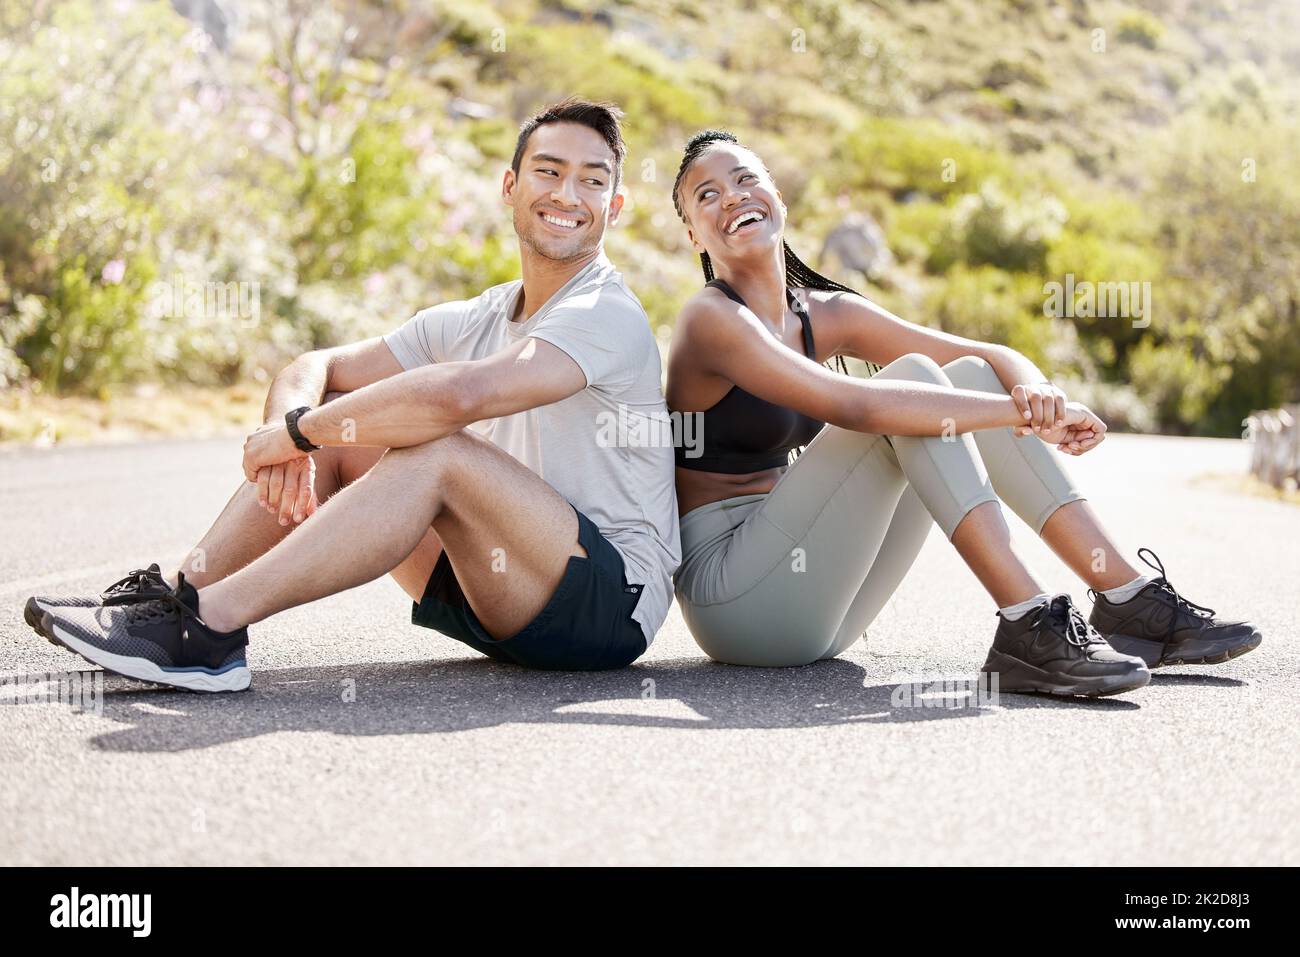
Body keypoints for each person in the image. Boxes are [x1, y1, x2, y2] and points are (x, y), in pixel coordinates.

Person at [25, 99, 680, 692]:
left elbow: (465, 394)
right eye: (548, 170)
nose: (569, 193)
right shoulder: (481, 314)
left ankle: (211, 630)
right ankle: (174, 602)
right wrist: (293, 435)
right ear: (510, 187)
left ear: (614, 208)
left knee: (435, 450)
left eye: (594, 179)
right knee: (346, 431)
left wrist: (302, 432)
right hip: (498, 585)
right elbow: (321, 365)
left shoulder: (605, 311)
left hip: (605, 602)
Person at [665, 129, 1261, 697]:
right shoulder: (710, 320)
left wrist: (1040, 395)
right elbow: (857, 403)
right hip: (738, 603)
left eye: (745, 179)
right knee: (914, 388)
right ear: (693, 234)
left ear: (778, 198)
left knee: (964, 378)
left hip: (822, 612)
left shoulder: (822, 312)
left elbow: (989, 356)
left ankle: (1130, 598)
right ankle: (1029, 622)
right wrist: (1014, 415)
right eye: (707, 195)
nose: (732, 197)